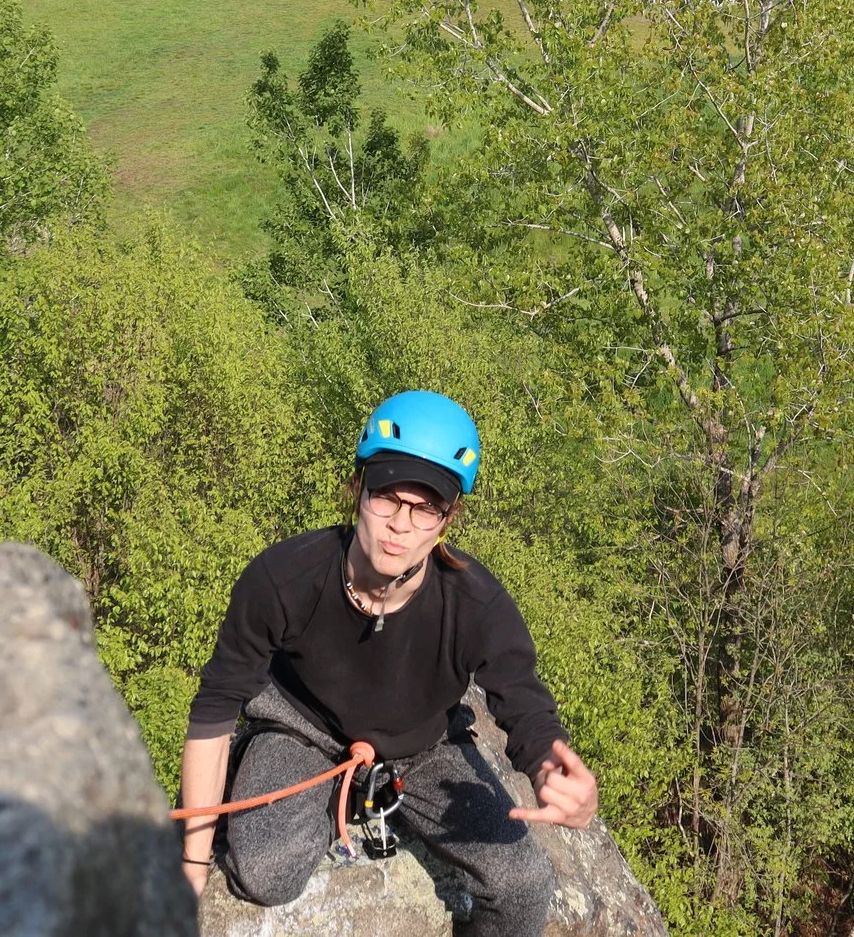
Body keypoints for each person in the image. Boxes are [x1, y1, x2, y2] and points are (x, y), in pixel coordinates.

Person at [178, 390, 598, 937]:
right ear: (358, 488)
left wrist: (551, 772)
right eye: (387, 498)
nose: (401, 524)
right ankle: (268, 769)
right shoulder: (285, 578)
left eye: (425, 508)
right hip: (302, 727)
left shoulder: (475, 605)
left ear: (448, 518)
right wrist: (191, 864)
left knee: (522, 887)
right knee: (267, 872)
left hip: (422, 745)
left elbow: (524, 704)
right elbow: (215, 706)